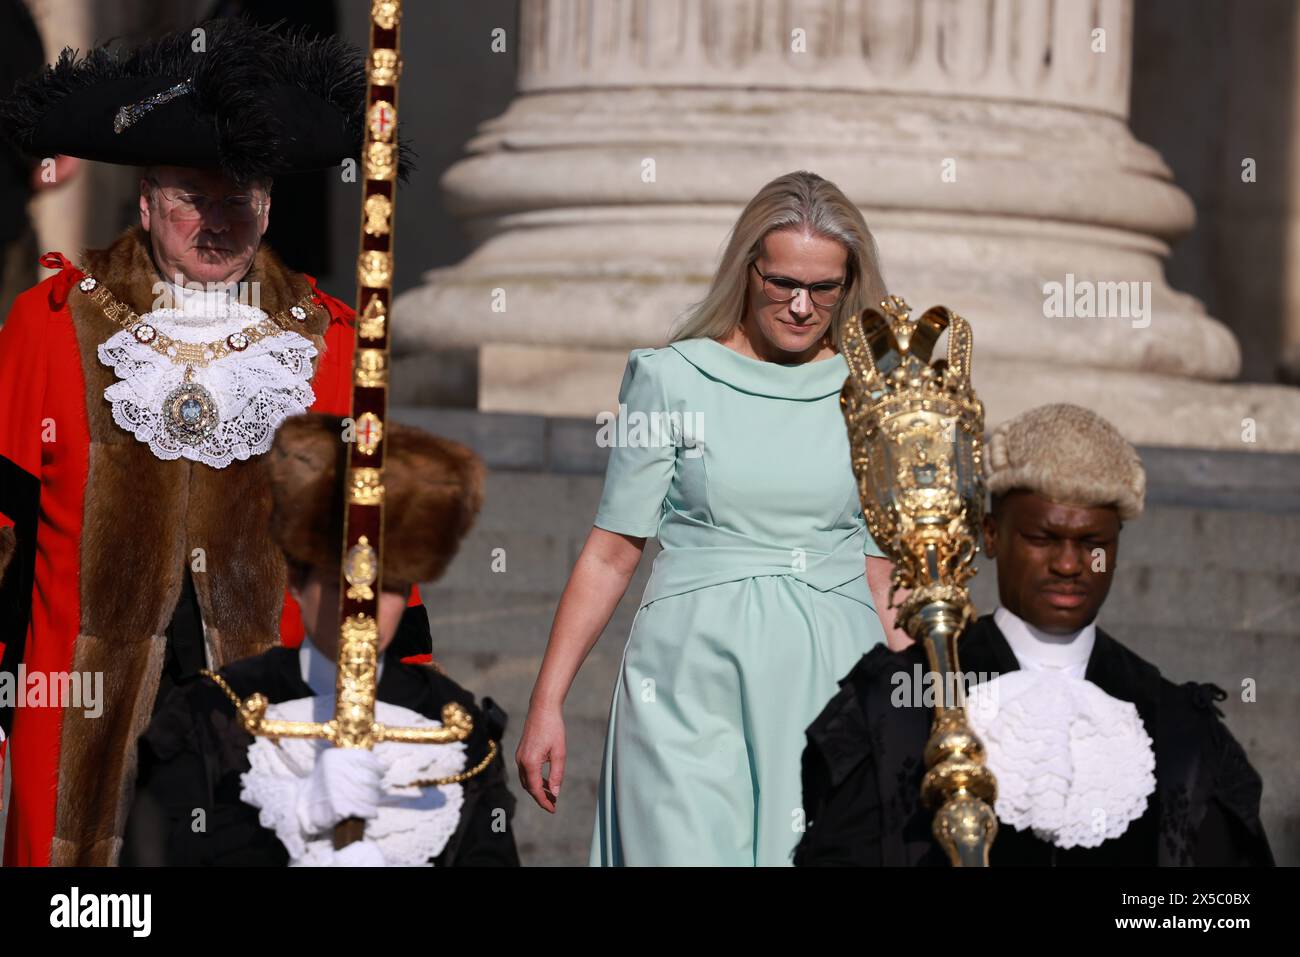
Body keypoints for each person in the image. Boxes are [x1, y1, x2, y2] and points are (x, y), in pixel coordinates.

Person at [0, 19, 391, 865]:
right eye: (190, 195)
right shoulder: (50, 326)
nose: (215, 220)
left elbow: (363, 558)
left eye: (237, 196)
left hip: (268, 717)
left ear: (269, 204)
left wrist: (375, 704)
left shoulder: (328, 348)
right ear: (146, 201)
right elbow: (4, 534)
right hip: (78, 714)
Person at [516, 170, 909, 866]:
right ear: (747, 268)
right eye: (782, 281)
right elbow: (613, 551)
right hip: (687, 678)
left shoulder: (873, 391)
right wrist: (547, 701)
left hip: (833, 677)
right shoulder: (671, 378)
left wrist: (920, 707)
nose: (800, 305)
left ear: (849, 285)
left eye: (823, 288)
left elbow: (881, 571)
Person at [795, 404, 1274, 866]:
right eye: (1042, 539)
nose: (1068, 565)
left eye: (1093, 544)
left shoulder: (1175, 725)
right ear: (990, 534)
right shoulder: (899, 701)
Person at [123, 413, 520, 867]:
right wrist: (297, 811)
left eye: (386, 586)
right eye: (340, 583)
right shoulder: (212, 710)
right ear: (296, 581)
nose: (361, 610)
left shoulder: (454, 721)